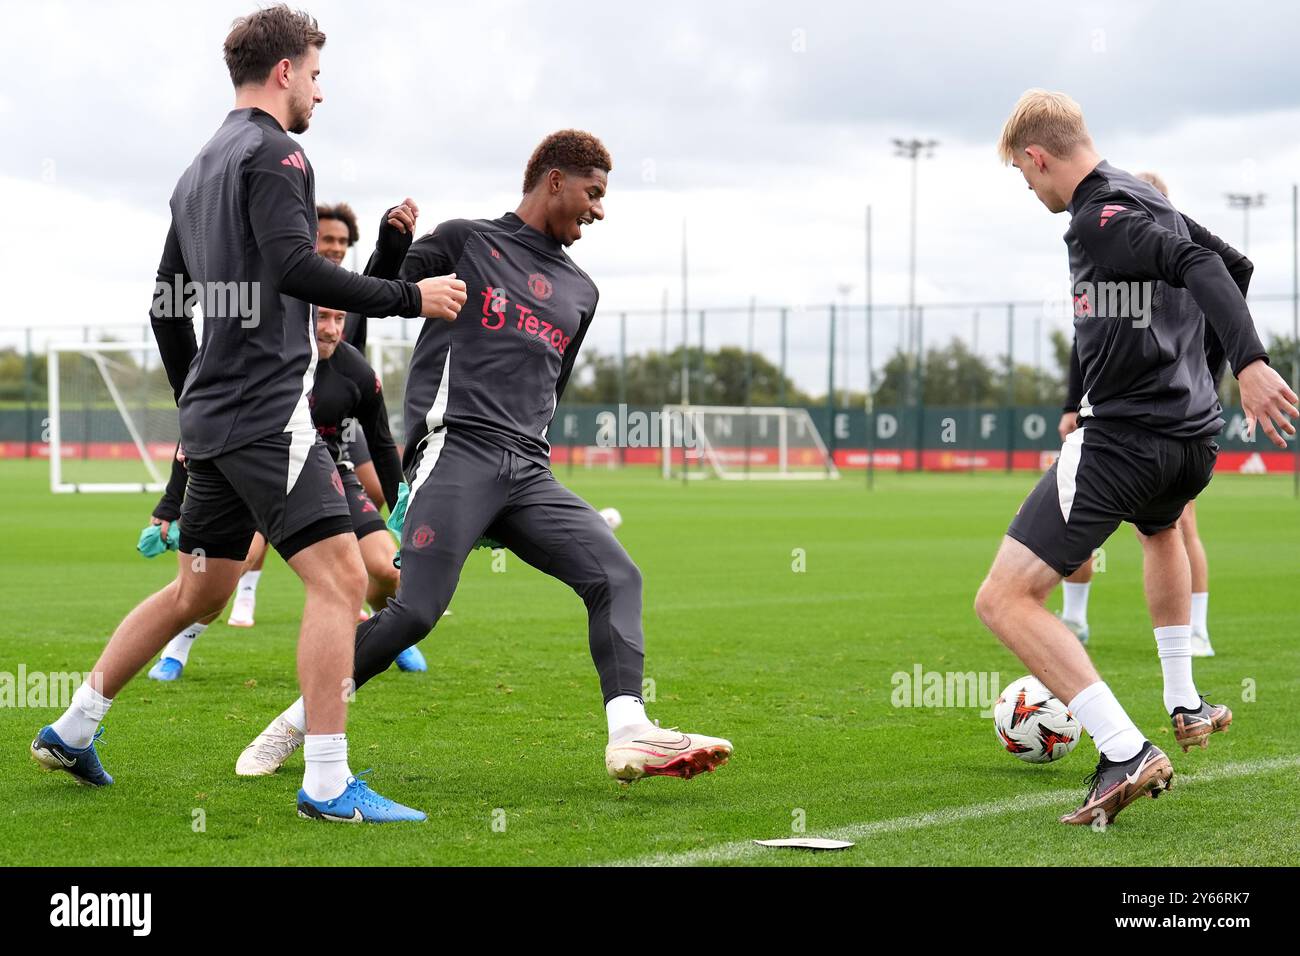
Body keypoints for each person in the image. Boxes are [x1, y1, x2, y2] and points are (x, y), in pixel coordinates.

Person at [31, 5, 466, 824]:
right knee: (341, 580)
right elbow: (298, 268)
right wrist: (412, 295)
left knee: (199, 590)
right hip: (267, 415)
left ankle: (72, 724)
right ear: (283, 74)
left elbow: (166, 304)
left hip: (216, 421)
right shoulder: (279, 153)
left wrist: (197, 391)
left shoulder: (196, 168)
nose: (319, 93)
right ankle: (329, 784)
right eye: (315, 74)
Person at [239, 130, 733, 784]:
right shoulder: (466, 241)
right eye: (594, 193)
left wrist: (521, 488)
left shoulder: (582, 292)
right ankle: (296, 723)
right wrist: (389, 244)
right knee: (413, 611)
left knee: (618, 577)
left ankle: (631, 734)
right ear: (554, 179)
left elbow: (548, 391)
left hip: (528, 471)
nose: (600, 210)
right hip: (456, 452)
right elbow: (375, 297)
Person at [977, 89, 1296, 825]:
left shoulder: (1100, 215)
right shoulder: (1143, 198)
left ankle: (1123, 748)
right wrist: (1204, 381)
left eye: (1027, 179)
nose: (1032, 191)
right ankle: (1184, 702)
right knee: (1161, 534)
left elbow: (1203, 267)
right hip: (1190, 444)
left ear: (1039, 156)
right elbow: (1234, 265)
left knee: (1003, 598)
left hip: (1125, 438)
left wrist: (1247, 362)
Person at [147, 295, 427, 682]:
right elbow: (200, 427)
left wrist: (401, 507)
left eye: (339, 318)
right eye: (322, 317)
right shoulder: (266, 362)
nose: (330, 328)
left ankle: (391, 633)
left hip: (326, 474)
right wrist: (170, 502)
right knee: (225, 571)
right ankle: (177, 650)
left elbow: (380, 444)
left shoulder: (357, 372)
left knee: (387, 568)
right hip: (260, 473)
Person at [1056, 170, 1246, 657]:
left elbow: (1231, 272)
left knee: (1176, 528)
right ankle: (1074, 618)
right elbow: (1087, 340)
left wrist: (1213, 374)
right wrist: (1071, 404)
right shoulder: (1112, 259)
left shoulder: (1179, 271)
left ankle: (1195, 633)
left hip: (1166, 422)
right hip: (1121, 418)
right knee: (1089, 522)